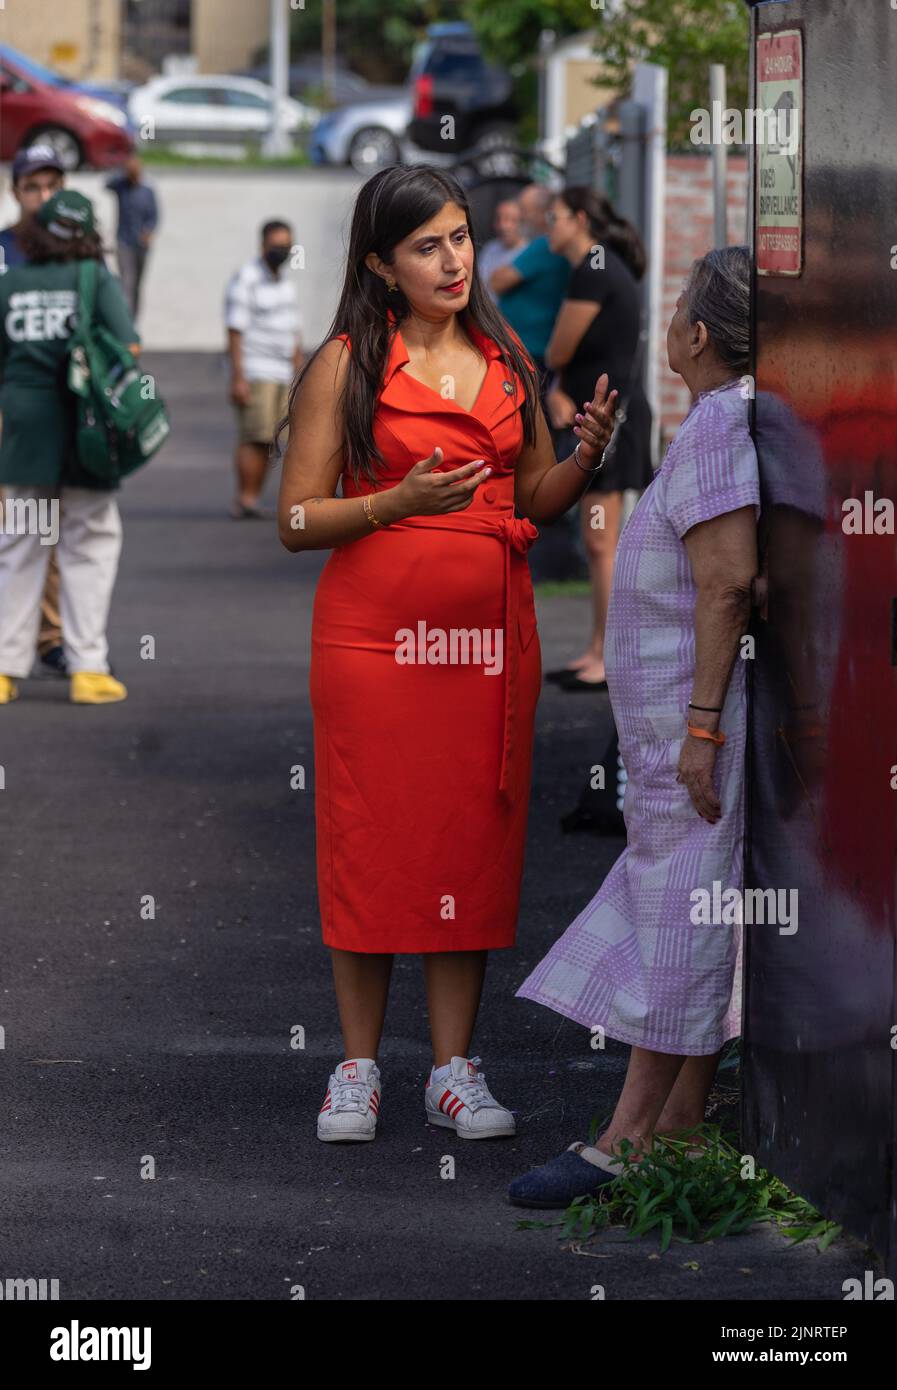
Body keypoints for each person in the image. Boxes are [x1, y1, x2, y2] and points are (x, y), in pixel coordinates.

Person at [276, 164, 617, 1144]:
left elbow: (535, 499)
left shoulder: (507, 357)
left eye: (461, 237)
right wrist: (391, 504)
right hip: (374, 645)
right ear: (381, 263)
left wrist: (584, 454)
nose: (454, 259)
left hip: (486, 644)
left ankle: (453, 1068)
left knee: (468, 837)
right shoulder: (346, 363)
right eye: (427, 245)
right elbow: (297, 519)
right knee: (371, 837)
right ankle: (356, 1068)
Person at [509, 247, 761, 1207]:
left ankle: (626, 1140)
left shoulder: (713, 430)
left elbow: (727, 581)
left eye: (674, 312)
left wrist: (700, 729)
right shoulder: (719, 422)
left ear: (694, 336)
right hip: (678, 730)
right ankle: (674, 1128)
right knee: (684, 909)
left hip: (690, 731)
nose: (664, 324)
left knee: (680, 918)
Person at [0, 190, 139, 707]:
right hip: (85, 436)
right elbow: (129, 348)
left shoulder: (10, 283)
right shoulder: (94, 279)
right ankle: (88, 668)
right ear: (87, 235)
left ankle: (5, 669)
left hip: (26, 437)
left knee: (22, 549)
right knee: (88, 545)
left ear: (35, 233)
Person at [542, 188, 654, 690]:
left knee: (600, 539)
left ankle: (607, 657)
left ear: (580, 219)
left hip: (611, 418)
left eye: (556, 215)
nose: (548, 223)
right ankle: (596, 648)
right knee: (599, 539)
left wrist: (557, 380)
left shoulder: (593, 268)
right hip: (607, 415)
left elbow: (558, 347)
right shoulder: (598, 264)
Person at [0, 143, 69, 677]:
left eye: (52, 186)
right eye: (33, 187)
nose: (43, 197)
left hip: (52, 411)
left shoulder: (76, 251)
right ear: (15, 192)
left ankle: (49, 635)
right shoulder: (3, 252)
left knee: (42, 524)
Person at [225, 220, 303, 520]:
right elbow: (235, 330)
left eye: (287, 245)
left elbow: (294, 330)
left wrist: (299, 369)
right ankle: (245, 498)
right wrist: (239, 376)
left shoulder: (285, 283)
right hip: (256, 371)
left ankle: (253, 498)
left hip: (283, 372)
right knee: (254, 436)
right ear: (262, 246)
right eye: (277, 245)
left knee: (273, 439)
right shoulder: (246, 279)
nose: (282, 251)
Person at [489, 184, 571, 378]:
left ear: (541, 213)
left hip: (529, 349)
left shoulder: (545, 244)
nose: (521, 218)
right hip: (528, 347)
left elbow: (498, 281)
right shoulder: (543, 243)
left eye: (524, 211)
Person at [105, 155, 158, 323]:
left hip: (141, 245)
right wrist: (121, 170)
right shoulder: (121, 187)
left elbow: (154, 216)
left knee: (136, 284)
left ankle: (134, 318)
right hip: (124, 242)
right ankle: (125, 319)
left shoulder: (147, 192)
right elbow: (106, 183)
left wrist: (148, 231)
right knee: (127, 281)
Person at [477, 199, 528, 303]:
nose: (503, 226)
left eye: (511, 220)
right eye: (499, 219)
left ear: (521, 222)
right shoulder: (490, 248)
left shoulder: (528, 252)